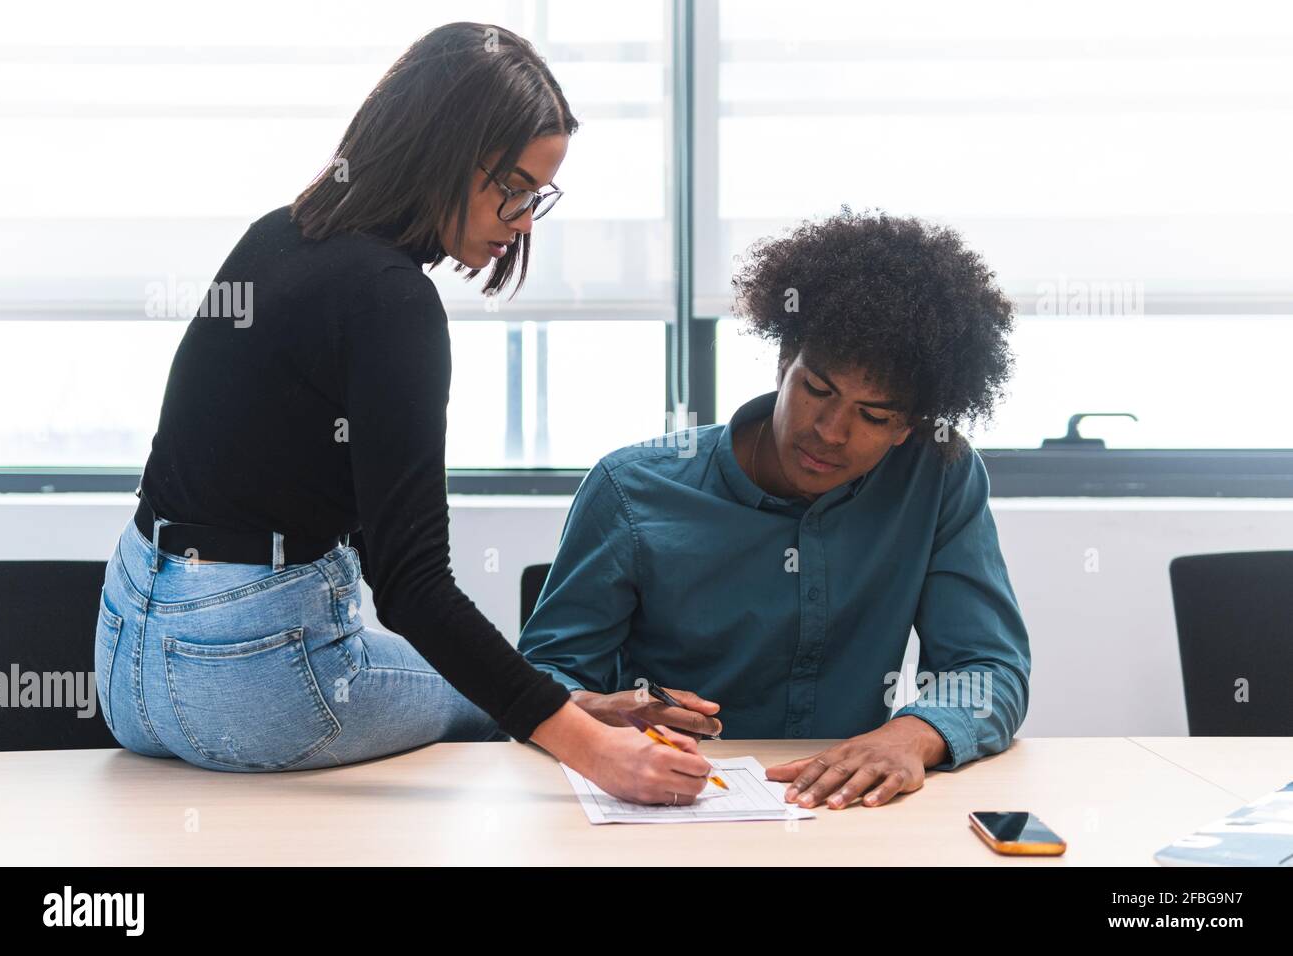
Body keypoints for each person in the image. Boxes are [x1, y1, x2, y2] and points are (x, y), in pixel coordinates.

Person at [94, 22, 714, 806]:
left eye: (538, 197)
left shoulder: (275, 234)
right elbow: (413, 586)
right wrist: (595, 752)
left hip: (126, 659)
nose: (524, 220)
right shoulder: (394, 302)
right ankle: (569, 714)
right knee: (485, 712)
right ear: (446, 149)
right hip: (250, 687)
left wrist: (553, 705)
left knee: (490, 692)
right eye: (514, 187)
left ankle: (563, 706)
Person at [519, 209, 1031, 810]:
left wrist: (912, 735)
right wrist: (598, 710)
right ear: (785, 361)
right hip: (666, 808)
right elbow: (541, 677)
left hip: (844, 815)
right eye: (817, 389)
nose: (831, 431)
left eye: (874, 416)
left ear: (909, 426)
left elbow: (988, 668)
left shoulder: (939, 477)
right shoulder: (632, 488)